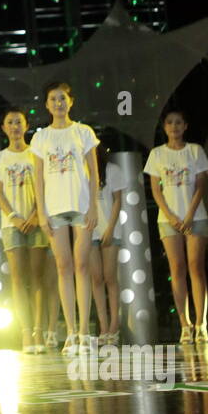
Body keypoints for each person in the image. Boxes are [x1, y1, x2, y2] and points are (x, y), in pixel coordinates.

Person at [30, 81, 100, 356]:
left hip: (81, 206)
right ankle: (70, 332)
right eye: (53, 99)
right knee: (63, 267)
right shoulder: (41, 138)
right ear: (47, 105)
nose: (58, 103)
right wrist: (41, 211)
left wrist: (94, 206)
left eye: (62, 98)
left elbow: (94, 173)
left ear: (71, 101)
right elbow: (37, 177)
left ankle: (85, 331)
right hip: (54, 208)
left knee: (82, 267)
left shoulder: (83, 132)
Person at [144, 107, 208, 345]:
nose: (174, 127)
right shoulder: (157, 155)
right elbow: (155, 189)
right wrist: (170, 216)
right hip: (168, 220)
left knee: (196, 267)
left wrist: (190, 214)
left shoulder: (195, 151)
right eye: (170, 123)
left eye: (179, 122)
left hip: (196, 216)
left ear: (185, 126)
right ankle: (184, 324)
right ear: (164, 127)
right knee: (177, 269)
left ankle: (200, 324)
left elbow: (201, 185)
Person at [0, 107, 48, 353]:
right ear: (3, 127)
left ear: (26, 125)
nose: (14, 126)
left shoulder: (36, 154)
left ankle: (40, 332)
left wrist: (34, 215)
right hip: (12, 224)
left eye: (18, 122)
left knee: (37, 278)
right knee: (18, 279)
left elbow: (44, 186)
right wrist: (14, 216)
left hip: (36, 221)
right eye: (9, 122)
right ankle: (25, 332)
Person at [89, 136, 128, 345]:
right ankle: (103, 327)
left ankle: (114, 325)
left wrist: (111, 228)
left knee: (110, 277)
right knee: (96, 279)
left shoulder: (112, 169)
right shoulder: (81, 171)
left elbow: (117, 201)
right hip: (89, 232)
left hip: (111, 231)